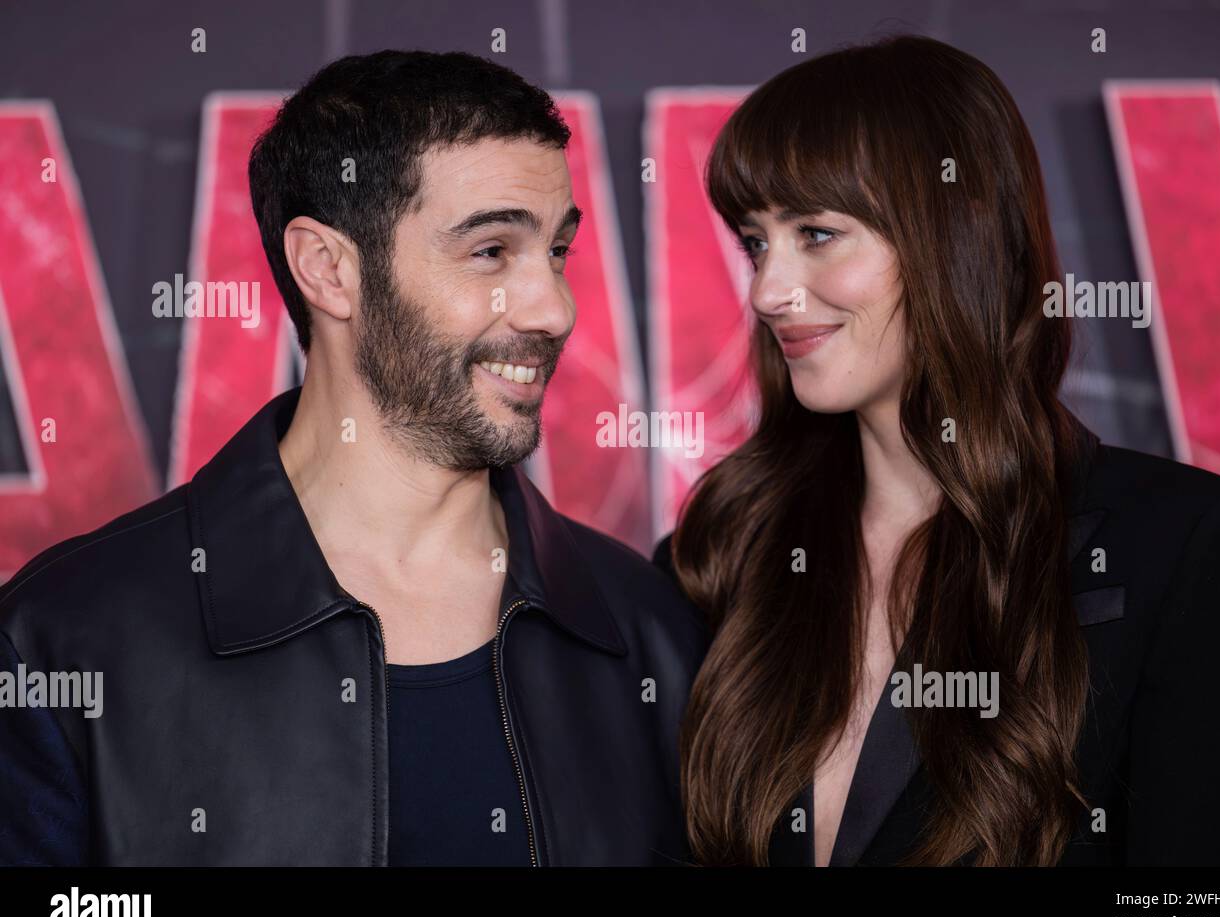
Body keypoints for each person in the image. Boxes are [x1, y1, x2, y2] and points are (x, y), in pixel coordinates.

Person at [0, 50, 706, 866]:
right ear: (328, 269)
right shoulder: (63, 639)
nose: (554, 307)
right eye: (490, 251)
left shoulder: (652, 637)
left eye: (556, 251)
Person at [654, 35, 1220, 866]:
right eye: (755, 242)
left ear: (954, 235)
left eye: (816, 233)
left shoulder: (1187, 544)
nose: (769, 290)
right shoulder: (722, 551)